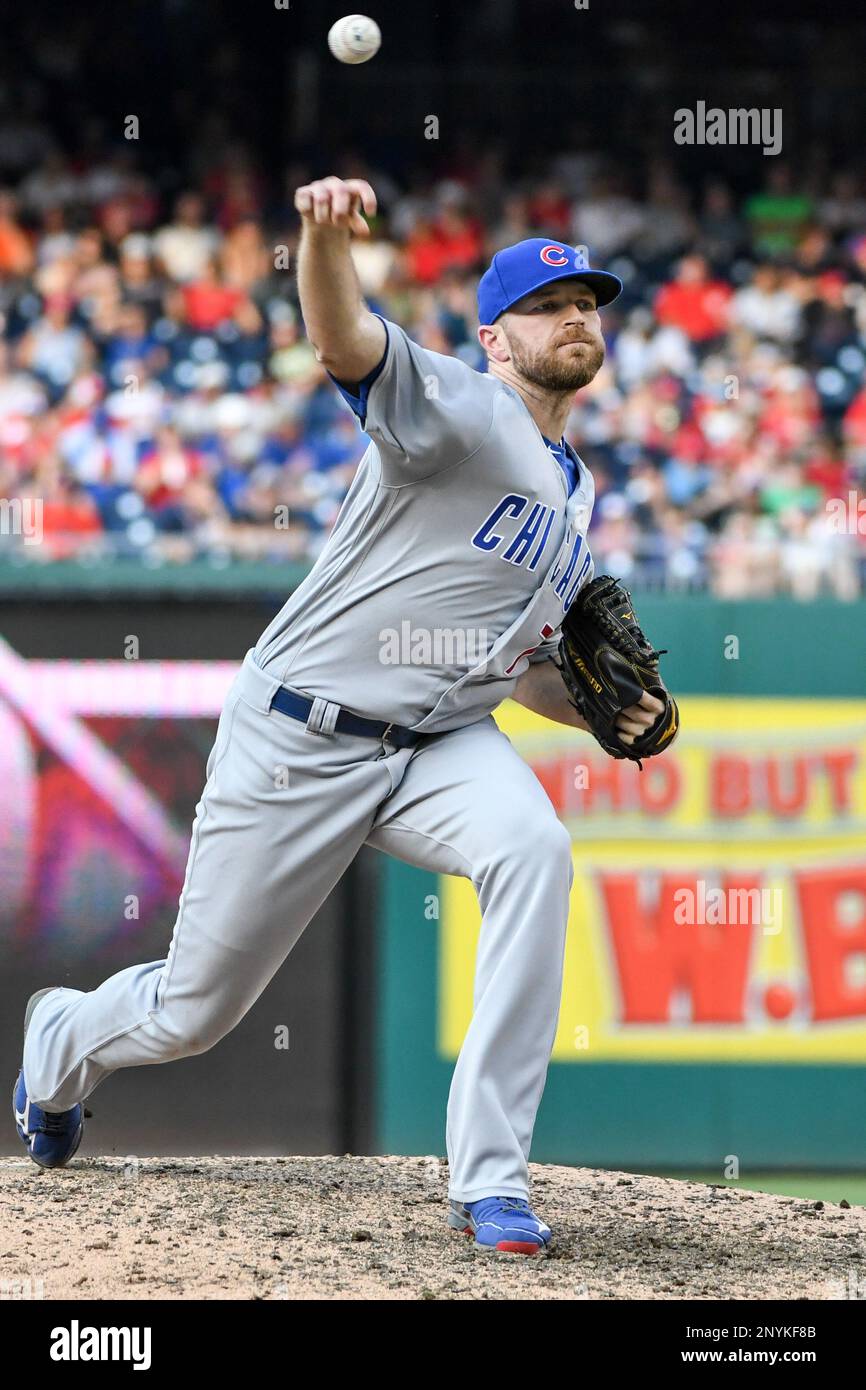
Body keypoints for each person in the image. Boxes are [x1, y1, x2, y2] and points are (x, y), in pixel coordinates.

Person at [14, 176, 666, 1256]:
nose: (575, 320)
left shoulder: (576, 495)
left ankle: (489, 1177)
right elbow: (342, 337)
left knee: (534, 851)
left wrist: (606, 714)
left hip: (438, 743)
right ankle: (61, 1040)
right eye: (550, 307)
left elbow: (521, 671)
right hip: (299, 735)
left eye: (587, 304)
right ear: (494, 338)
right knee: (194, 1011)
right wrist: (321, 239)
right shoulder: (458, 407)